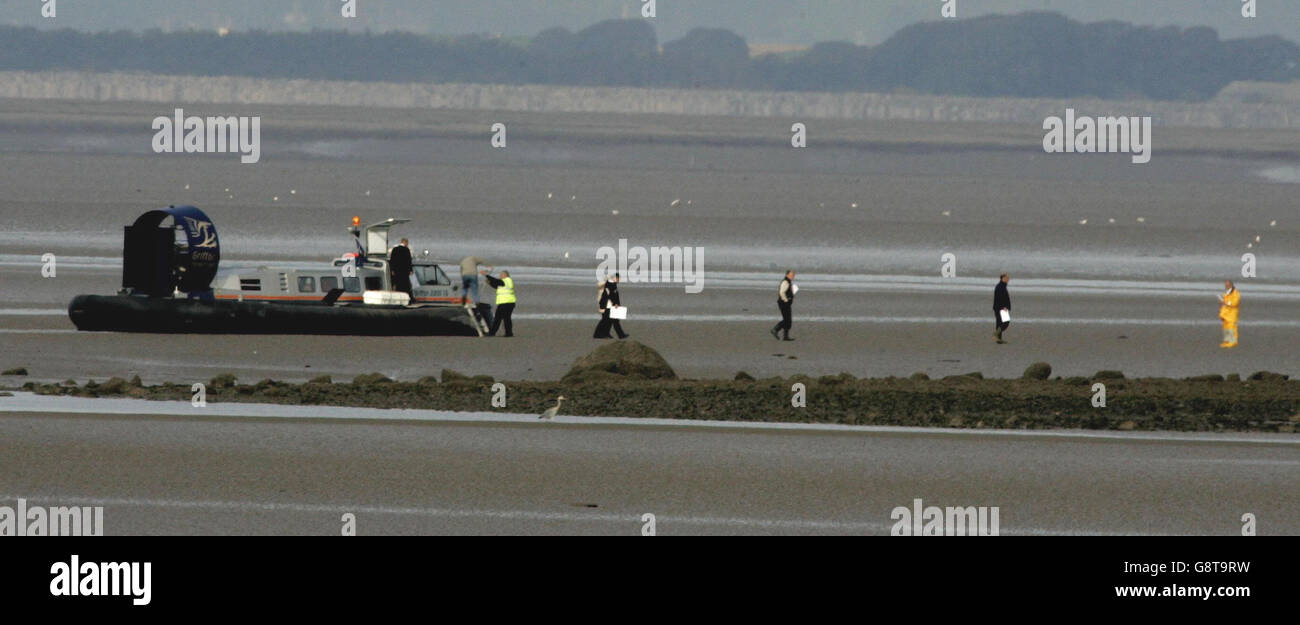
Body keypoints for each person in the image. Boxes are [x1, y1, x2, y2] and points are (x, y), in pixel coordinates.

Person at [593, 273, 629, 339]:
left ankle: (607, 334)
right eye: (618, 278)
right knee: (608, 320)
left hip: (610, 305)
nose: (619, 280)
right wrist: (615, 303)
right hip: (608, 305)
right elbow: (610, 295)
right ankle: (599, 334)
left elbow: (613, 295)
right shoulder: (610, 284)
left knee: (610, 320)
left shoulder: (612, 284)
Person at [483, 269, 515, 337]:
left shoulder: (507, 280)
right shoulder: (503, 282)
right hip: (504, 303)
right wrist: (489, 283)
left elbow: (497, 281)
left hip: (507, 302)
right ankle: (493, 333)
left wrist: (486, 275)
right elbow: (496, 285)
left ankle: (508, 333)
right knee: (498, 318)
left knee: (506, 318)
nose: (500, 275)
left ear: (505, 275)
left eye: (501, 274)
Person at [770, 270, 795, 341]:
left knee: (788, 320)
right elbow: (781, 292)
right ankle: (775, 329)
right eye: (791, 275)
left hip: (786, 303)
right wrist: (786, 300)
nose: (793, 276)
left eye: (793, 275)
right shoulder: (785, 282)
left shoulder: (789, 282)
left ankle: (785, 336)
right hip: (783, 303)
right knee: (787, 319)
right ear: (787, 275)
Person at [1218, 280, 1240, 348]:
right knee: (1226, 328)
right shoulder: (1227, 293)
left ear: (1231, 285)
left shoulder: (1235, 293)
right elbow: (1225, 300)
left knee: (1231, 328)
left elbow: (1235, 302)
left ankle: (1233, 342)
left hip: (1232, 313)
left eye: (1227, 285)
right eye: (1225, 285)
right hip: (1225, 313)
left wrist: (1227, 303)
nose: (1226, 286)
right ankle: (1227, 341)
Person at [993, 273, 1011, 344]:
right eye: (1007, 278)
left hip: (1001, 308)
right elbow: (1000, 298)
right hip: (1000, 308)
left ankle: (998, 339)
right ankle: (997, 335)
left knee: (1002, 323)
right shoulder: (1000, 287)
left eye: (1008, 278)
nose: (1008, 279)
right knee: (1004, 323)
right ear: (1002, 278)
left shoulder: (1003, 286)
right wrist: (1005, 307)